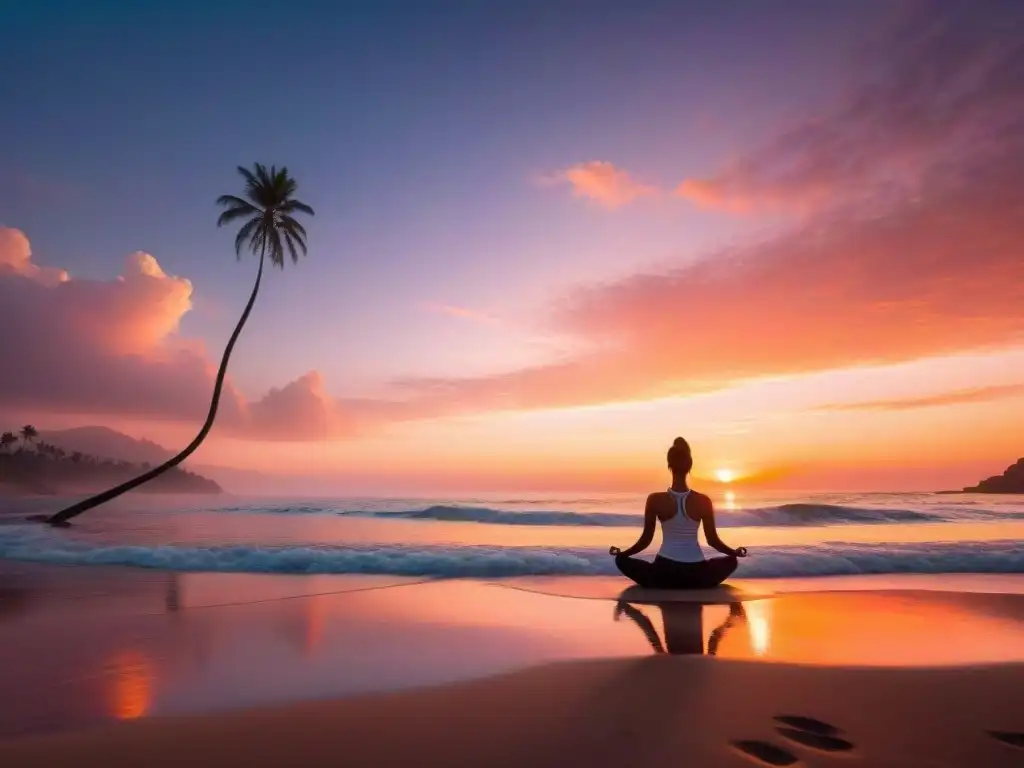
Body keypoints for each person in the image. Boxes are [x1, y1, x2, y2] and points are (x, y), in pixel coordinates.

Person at [609, 437, 748, 589]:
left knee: (621, 561)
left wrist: (623, 554)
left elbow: (645, 541)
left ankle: (662, 583)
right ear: (690, 465)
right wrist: (734, 552)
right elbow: (712, 541)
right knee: (731, 561)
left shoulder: (655, 500)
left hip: (664, 573)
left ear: (669, 465)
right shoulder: (703, 501)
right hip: (697, 574)